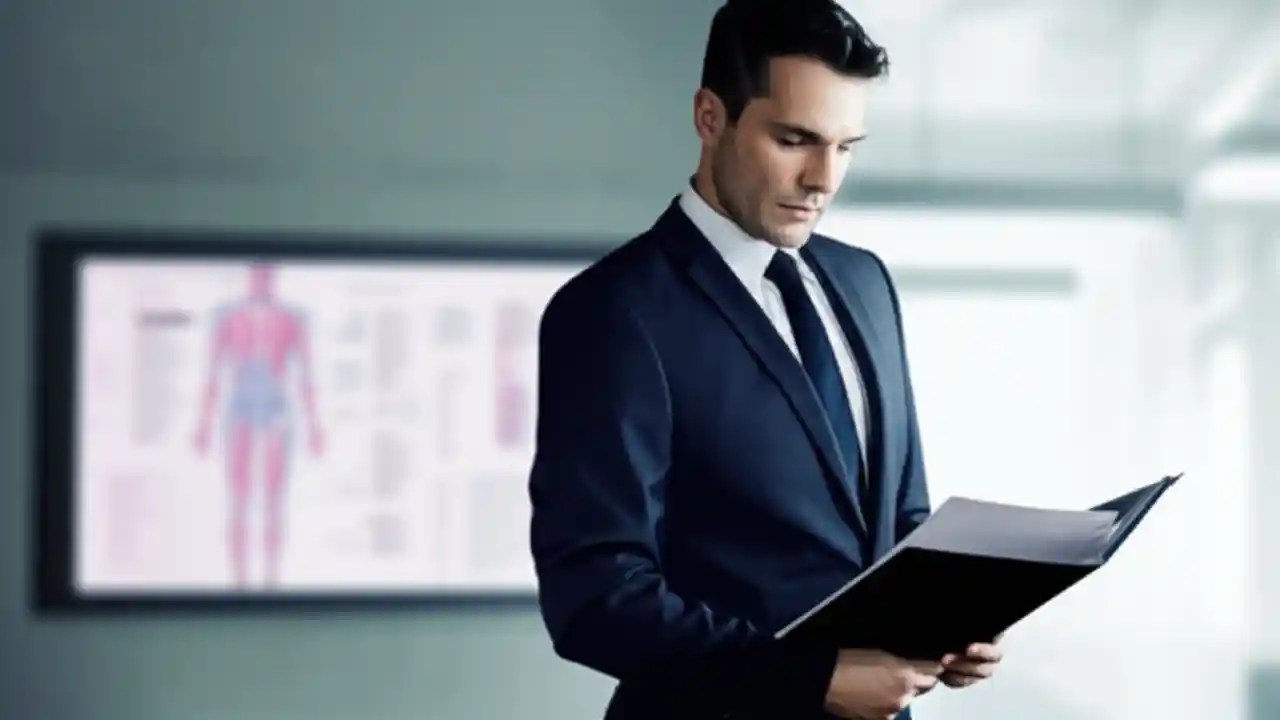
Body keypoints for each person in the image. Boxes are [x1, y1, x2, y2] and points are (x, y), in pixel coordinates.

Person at [528, 1, 1001, 717]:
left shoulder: (866, 283)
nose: (824, 179)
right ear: (711, 118)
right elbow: (594, 597)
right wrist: (809, 676)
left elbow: (898, 516)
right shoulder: (614, 312)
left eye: (847, 147)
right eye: (795, 140)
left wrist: (952, 619)